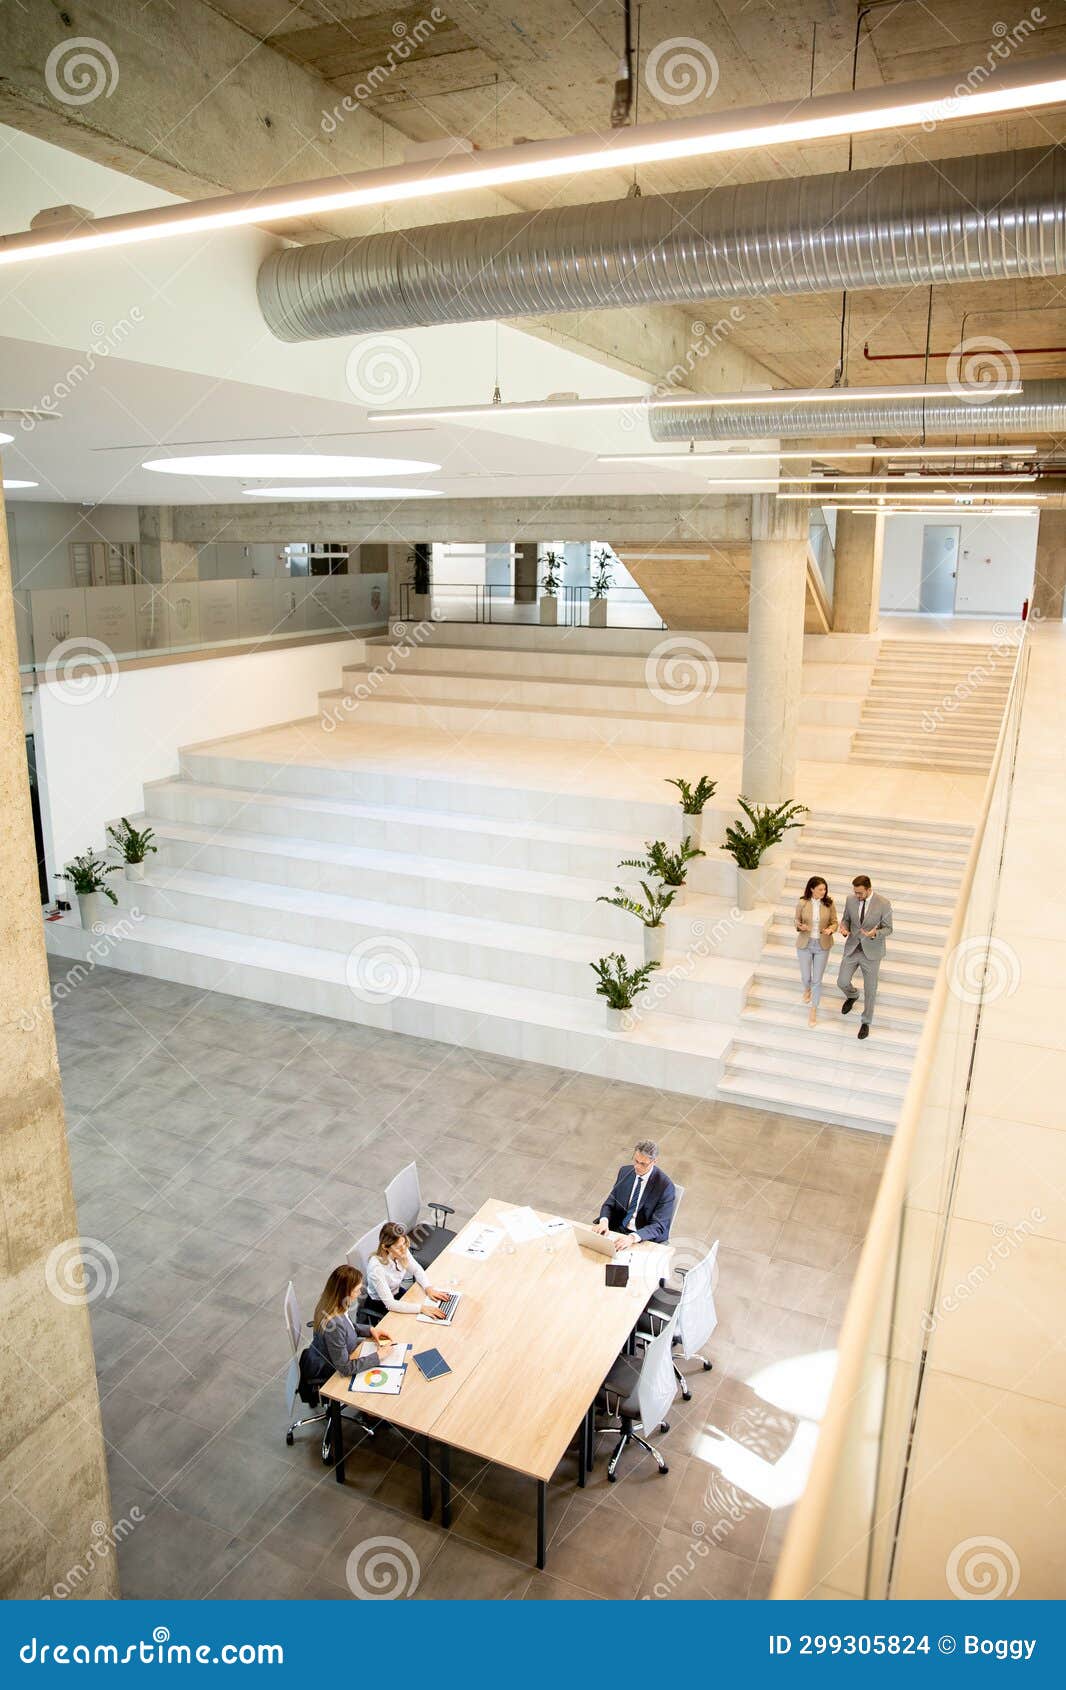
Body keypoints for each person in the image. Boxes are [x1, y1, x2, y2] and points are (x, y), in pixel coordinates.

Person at [307, 1264, 396, 1380]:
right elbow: (345, 1368)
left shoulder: (331, 1302)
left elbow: (348, 1326)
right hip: (331, 1373)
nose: (360, 1293)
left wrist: (371, 1330)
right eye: (356, 1290)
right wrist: (378, 1356)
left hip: (342, 1352)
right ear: (344, 1293)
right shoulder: (334, 1324)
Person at [837, 874, 894, 1040]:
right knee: (842, 981)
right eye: (855, 892)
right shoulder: (850, 900)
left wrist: (875, 933)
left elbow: (889, 929)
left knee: (870, 990)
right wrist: (844, 928)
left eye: (860, 893)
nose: (857, 896)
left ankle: (866, 1021)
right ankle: (853, 995)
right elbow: (845, 920)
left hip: (872, 952)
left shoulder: (884, 903)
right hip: (853, 947)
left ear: (869, 889)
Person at [595, 1139, 677, 1251]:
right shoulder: (625, 1172)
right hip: (619, 1229)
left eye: (643, 1164)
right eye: (636, 1161)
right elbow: (611, 1202)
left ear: (654, 1162)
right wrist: (604, 1221)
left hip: (644, 1237)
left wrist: (632, 1238)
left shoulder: (665, 1186)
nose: (637, 1167)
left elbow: (658, 1225)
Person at [366, 1221, 450, 1320]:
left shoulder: (402, 1249)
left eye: (404, 1243)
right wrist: (422, 1308)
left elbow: (417, 1270)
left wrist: (428, 1288)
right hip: (380, 1304)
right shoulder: (376, 1268)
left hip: (396, 1292)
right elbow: (390, 1304)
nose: (404, 1249)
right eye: (398, 1247)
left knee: (425, 1306)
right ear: (385, 1247)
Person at [795, 875, 838, 1028]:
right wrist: (800, 926)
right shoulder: (802, 903)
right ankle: (807, 989)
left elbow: (835, 922)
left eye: (825, 889)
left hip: (822, 945)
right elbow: (796, 921)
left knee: (817, 980)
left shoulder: (829, 904)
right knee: (806, 977)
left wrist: (830, 929)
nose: (823, 892)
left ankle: (813, 1010)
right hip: (805, 944)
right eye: (820, 889)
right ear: (812, 889)